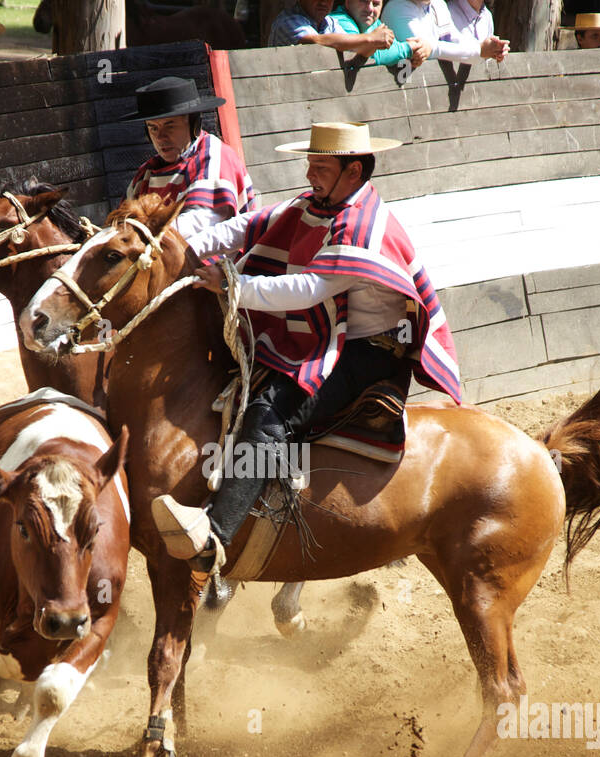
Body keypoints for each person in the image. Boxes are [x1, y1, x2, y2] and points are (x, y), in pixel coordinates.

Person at [151, 121, 463, 569]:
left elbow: (309, 289)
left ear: (352, 172)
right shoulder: (318, 203)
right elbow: (245, 226)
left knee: (270, 411)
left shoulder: (362, 225)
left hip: (369, 354)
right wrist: (177, 252)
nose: (309, 175)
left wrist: (232, 286)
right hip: (328, 335)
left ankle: (215, 539)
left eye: (319, 167)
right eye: (309, 164)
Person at [123, 77, 257, 242]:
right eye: (153, 128)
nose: (160, 137)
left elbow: (201, 223)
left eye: (170, 125)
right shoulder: (145, 174)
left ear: (194, 124)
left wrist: (139, 235)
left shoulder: (215, 156)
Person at [381, 0, 510, 63]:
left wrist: (492, 49)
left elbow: (455, 40)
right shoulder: (397, 7)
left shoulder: (438, 4)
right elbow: (423, 50)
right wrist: (479, 51)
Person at [268, 0, 396, 60]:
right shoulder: (289, 21)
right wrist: (370, 38)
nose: (323, 2)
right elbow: (316, 41)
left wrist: (374, 43)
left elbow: (357, 51)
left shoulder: (330, 22)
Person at [331, 1, 433, 69]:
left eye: (375, 4)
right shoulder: (338, 20)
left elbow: (392, 48)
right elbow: (371, 56)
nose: (370, 9)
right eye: (363, 1)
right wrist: (409, 48)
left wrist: (423, 47)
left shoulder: (375, 23)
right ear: (348, 2)